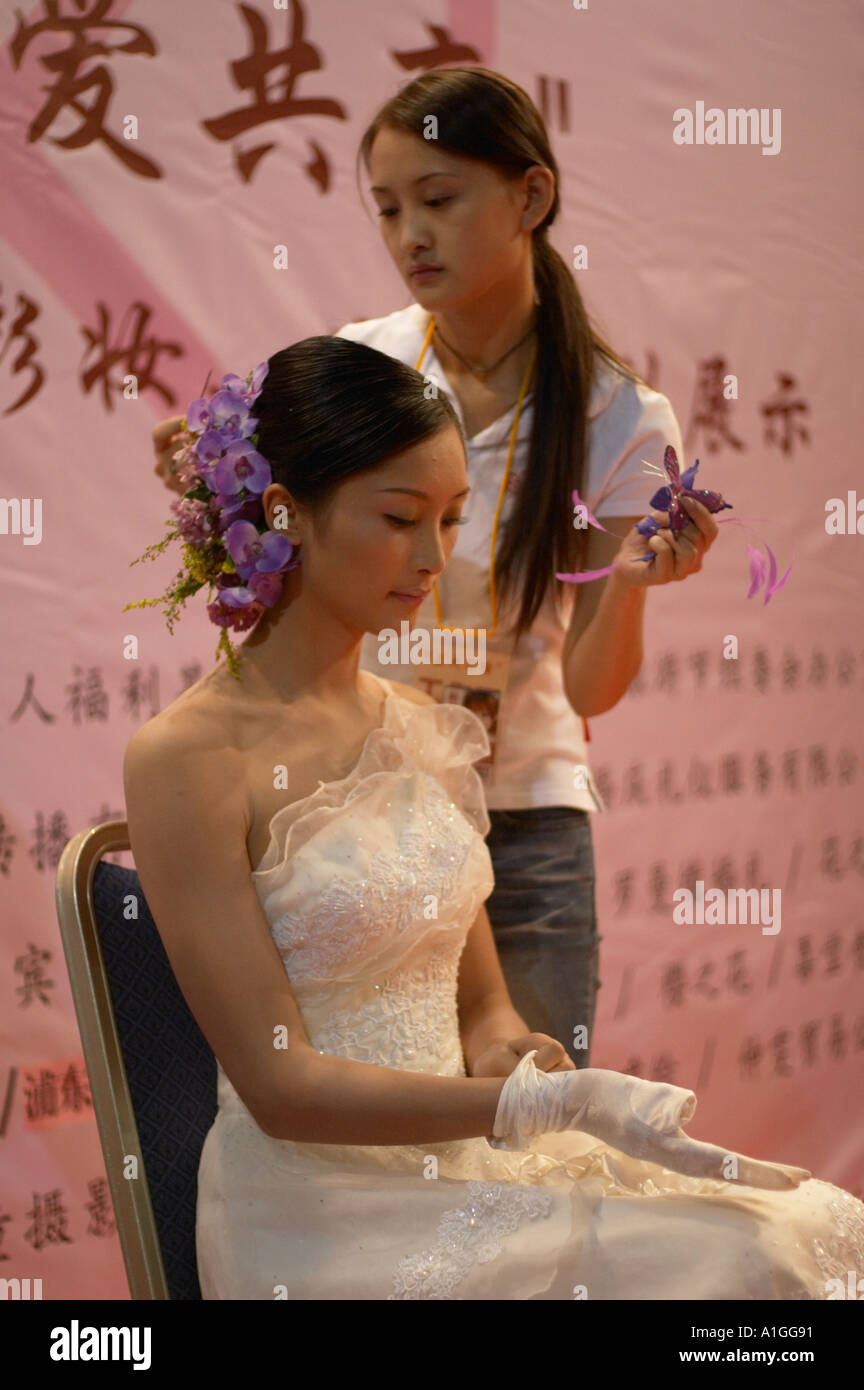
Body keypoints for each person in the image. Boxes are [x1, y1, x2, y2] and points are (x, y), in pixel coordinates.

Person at [126, 337, 864, 1301]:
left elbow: (481, 1008)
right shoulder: (187, 757)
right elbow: (283, 1089)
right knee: (742, 1265)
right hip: (323, 1217)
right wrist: (542, 1104)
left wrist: (515, 1054)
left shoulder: (418, 721)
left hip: (472, 1159)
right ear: (283, 511)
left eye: (451, 521)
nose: (434, 559)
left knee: (807, 1229)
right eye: (400, 519)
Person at [151, 67, 718, 1067]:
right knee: (362, 1094)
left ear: (531, 196)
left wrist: (627, 584)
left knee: (528, 1127)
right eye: (388, 207)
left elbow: (591, 684)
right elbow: (280, 560)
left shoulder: (618, 413)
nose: (411, 234)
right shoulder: (363, 366)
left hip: (525, 817)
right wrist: (210, 478)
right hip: (361, 801)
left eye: (440, 200)